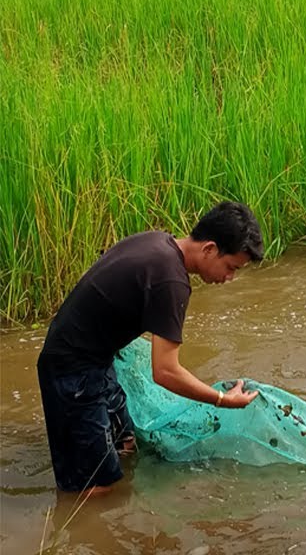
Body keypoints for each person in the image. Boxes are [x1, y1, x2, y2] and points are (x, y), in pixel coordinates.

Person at [37, 201, 265, 496]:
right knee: (96, 488)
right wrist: (221, 399)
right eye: (231, 267)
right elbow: (165, 372)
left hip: (95, 358)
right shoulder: (171, 281)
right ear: (209, 249)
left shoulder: (159, 242)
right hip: (72, 370)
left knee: (126, 442)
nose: (230, 277)